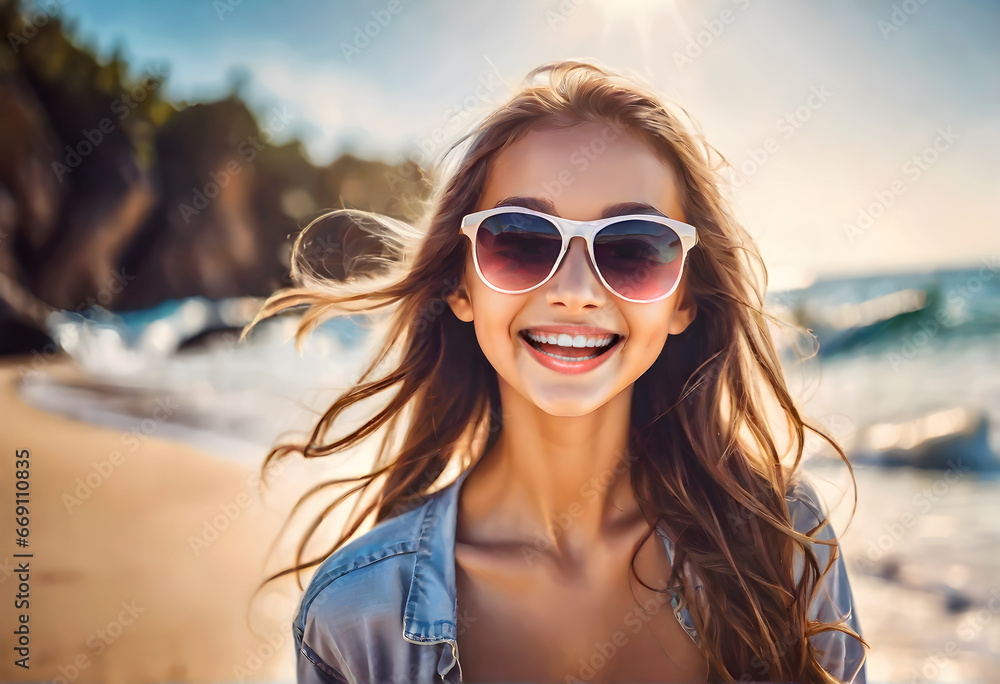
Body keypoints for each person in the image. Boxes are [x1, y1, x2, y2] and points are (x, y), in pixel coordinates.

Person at [245, 59, 869, 683]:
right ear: (461, 286)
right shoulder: (354, 616)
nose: (575, 291)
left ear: (682, 298)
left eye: (632, 249)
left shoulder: (780, 541)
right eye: (520, 240)